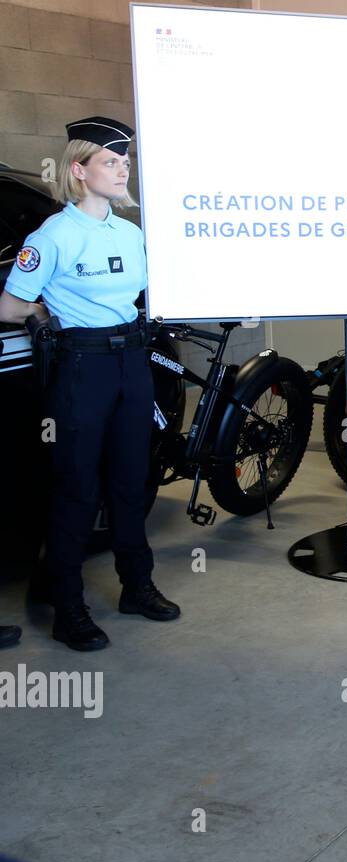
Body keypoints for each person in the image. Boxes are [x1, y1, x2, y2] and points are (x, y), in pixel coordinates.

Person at [0, 117, 180, 652]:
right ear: (78, 170)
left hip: (131, 363)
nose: (123, 169)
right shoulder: (53, 235)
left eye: (125, 162)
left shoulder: (130, 231)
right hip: (82, 368)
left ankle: (137, 587)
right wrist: (41, 313)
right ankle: (68, 608)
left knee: (130, 481)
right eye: (111, 161)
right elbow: (9, 302)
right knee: (76, 489)